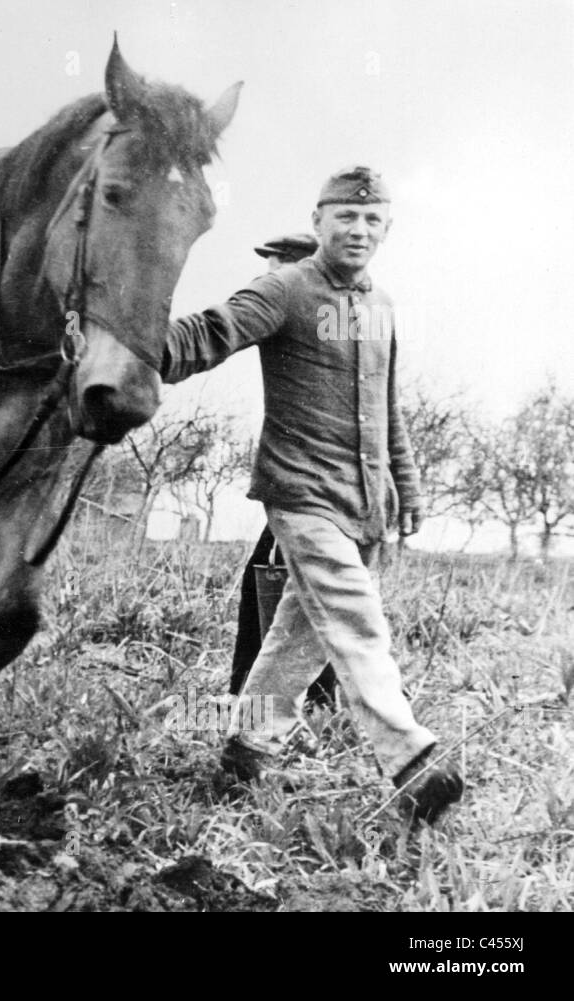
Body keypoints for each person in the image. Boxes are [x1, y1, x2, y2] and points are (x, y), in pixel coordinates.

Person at [162, 167, 463, 823]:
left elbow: (388, 409)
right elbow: (208, 332)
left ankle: (246, 746)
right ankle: (411, 758)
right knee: (355, 619)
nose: (358, 229)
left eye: (371, 219)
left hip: (365, 500)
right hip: (301, 492)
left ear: (386, 229)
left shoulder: (381, 305)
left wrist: (405, 486)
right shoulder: (287, 288)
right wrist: (130, 343)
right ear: (319, 221)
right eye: (345, 218)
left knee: (301, 633)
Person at [228, 232, 338, 709]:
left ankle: (286, 704)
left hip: (310, 485)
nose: (266, 280)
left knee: (291, 589)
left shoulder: (313, 316)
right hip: (307, 481)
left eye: (275, 269)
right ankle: (302, 700)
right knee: (283, 585)